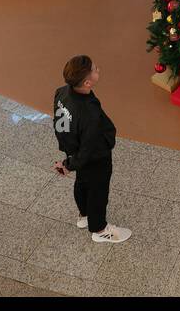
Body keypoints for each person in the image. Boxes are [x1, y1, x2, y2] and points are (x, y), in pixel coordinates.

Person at [52, 55, 131, 244]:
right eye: (96, 69)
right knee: (98, 190)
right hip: (95, 157)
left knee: (82, 182)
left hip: (73, 147)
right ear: (87, 82)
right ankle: (99, 229)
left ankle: (84, 215)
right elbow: (89, 149)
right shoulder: (88, 114)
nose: (98, 69)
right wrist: (69, 164)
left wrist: (69, 157)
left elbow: (58, 122)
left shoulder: (61, 92)